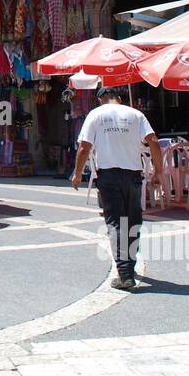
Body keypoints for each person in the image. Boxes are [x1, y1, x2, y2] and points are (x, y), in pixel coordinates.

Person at [70, 85, 164, 291]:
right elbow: (154, 142)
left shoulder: (96, 115)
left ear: (101, 99)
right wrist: (159, 171)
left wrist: (77, 174)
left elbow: (85, 147)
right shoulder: (136, 114)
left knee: (115, 223)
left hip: (109, 176)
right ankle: (129, 268)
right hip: (133, 176)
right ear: (119, 98)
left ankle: (124, 274)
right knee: (133, 220)